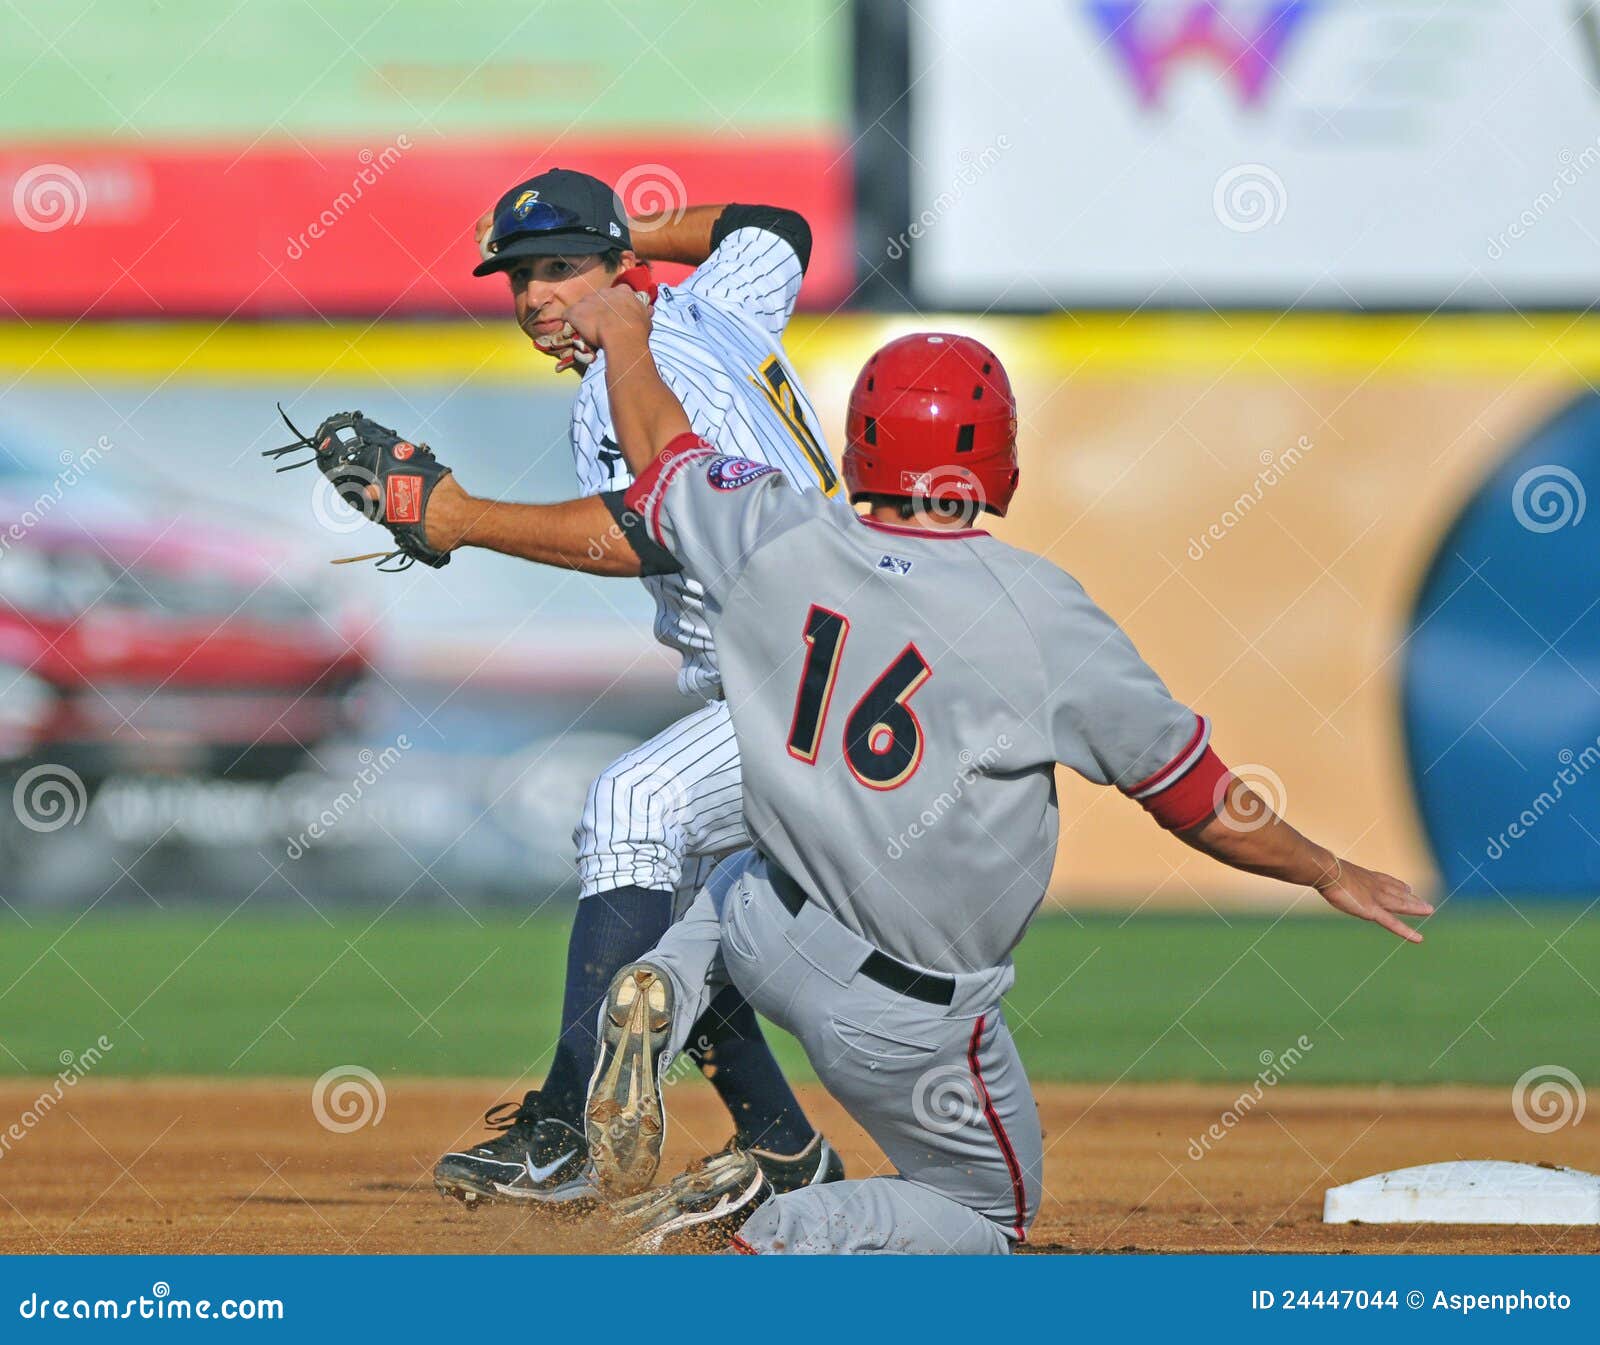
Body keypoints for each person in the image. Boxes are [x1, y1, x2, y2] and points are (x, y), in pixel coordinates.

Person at [520, 286, 1431, 1252]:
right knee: (989, 1217)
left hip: (760, 931)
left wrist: (624, 331)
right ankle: (770, 1226)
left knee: (744, 862)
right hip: (897, 1014)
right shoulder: (1039, 611)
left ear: (859, 446)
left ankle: (667, 977)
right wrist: (1327, 868)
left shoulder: (774, 527)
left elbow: (664, 451)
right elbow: (1195, 797)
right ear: (998, 463)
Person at [429, 168, 845, 1210]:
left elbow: (657, 525)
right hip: (839, 649)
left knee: (633, 807)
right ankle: (784, 1147)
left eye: (562, 270)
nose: (536, 299)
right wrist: (629, 235)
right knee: (666, 914)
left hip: (798, 672)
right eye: (520, 277)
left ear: (622, 272)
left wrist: (461, 517)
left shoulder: (631, 380)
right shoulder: (713, 300)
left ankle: (563, 1140)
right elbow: (775, 225)